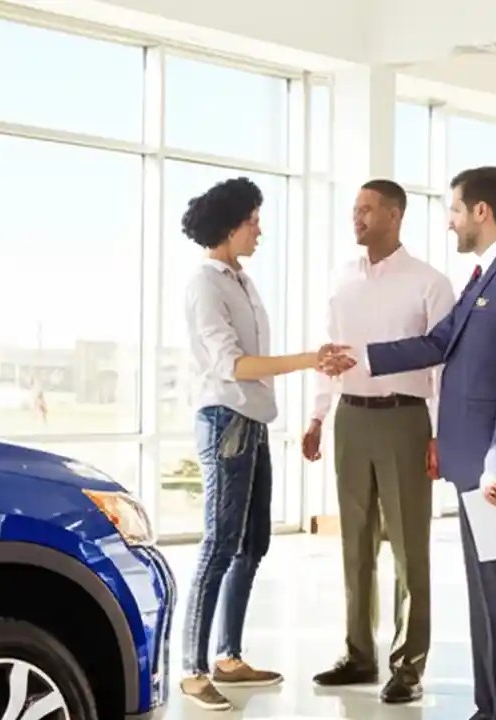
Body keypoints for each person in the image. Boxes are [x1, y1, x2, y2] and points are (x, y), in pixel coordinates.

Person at [349, 166, 496, 720]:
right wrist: (362, 357)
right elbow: (440, 342)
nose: (450, 222)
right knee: (485, 600)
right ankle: (489, 709)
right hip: (474, 468)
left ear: (481, 211)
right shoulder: (485, 275)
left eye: (455, 210)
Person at [178, 176, 353, 711]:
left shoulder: (242, 281)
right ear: (229, 226)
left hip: (251, 423)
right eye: (252, 221)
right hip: (225, 422)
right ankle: (193, 670)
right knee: (219, 545)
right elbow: (233, 365)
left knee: (253, 543)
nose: (259, 231)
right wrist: (310, 360)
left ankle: (228, 657)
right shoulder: (205, 284)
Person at [306, 179, 455, 703]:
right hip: (350, 417)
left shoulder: (430, 283)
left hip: (404, 419)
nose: (357, 217)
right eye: (355, 209)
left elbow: (443, 364)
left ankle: (408, 667)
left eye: (367, 209)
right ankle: (358, 655)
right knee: (356, 544)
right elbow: (329, 352)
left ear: (395, 215)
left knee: (409, 548)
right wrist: (318, 415)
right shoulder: (342, 277)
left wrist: (439, 433)